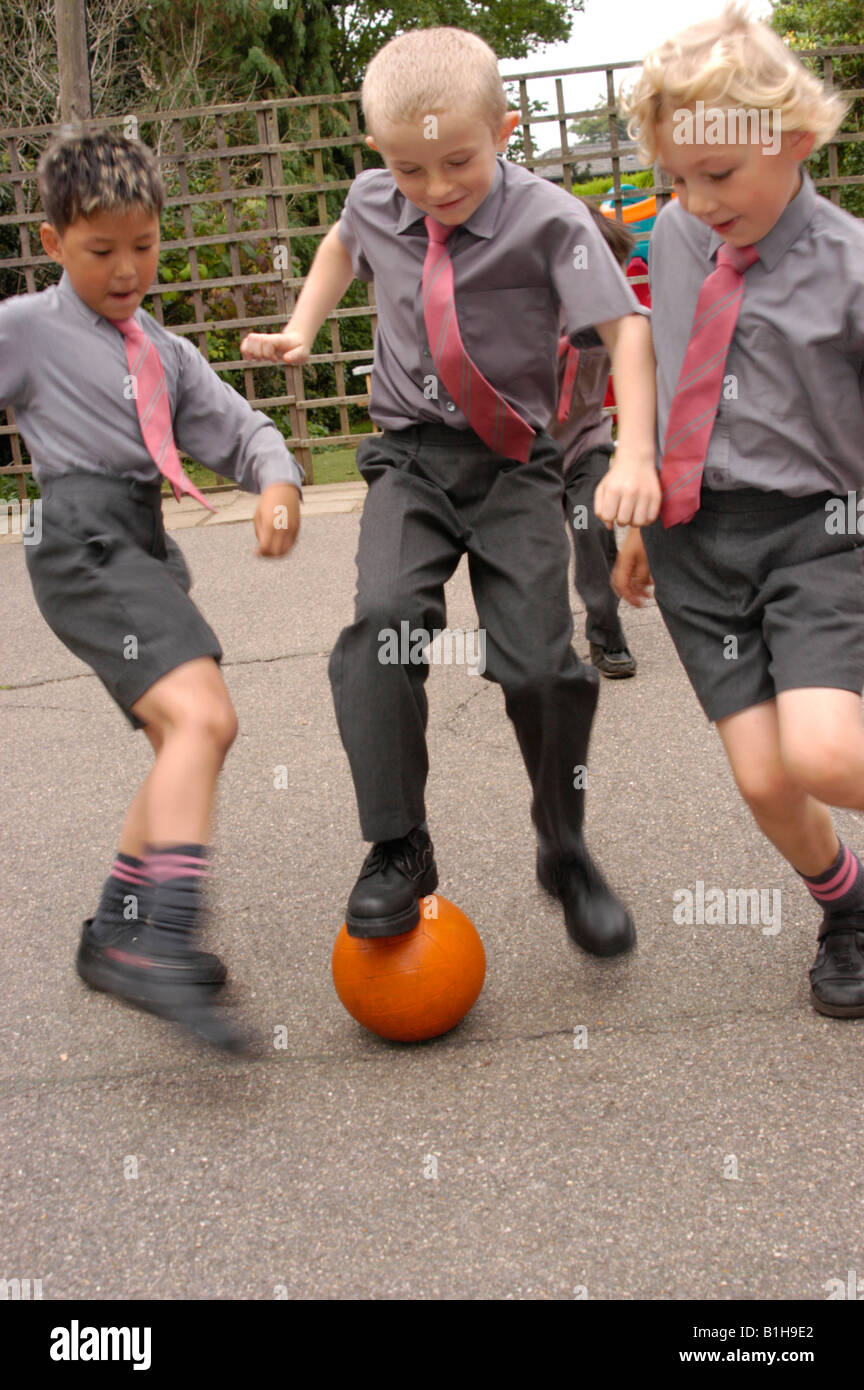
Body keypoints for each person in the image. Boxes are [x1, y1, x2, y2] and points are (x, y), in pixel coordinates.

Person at [241, 26, 659, 957]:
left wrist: (632, 455)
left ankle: (565, 845)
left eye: (458, 161)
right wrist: (305, 327)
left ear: (505, 127)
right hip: (410, 457)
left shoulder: (549, 217)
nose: (433, 188)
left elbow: (624, 331)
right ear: (379, 154)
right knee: (382, 621)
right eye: (407, 167)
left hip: (517, 466)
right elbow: (342, 245)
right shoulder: (371, 199)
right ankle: (399, 845)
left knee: (541, 667)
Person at [1, 127, 303, 1049]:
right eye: (100, 251)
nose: (127, 268)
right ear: (53, 244)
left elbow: (240, 429)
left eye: (144, 245)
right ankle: (160, 940)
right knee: (205, 719)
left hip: (138, 541)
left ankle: (117, 932)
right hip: (78, 538)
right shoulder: (25, 330)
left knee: (189, 728)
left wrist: (281, 484)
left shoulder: (163, 353)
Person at [606, 4, 864, 1016]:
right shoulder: (675, 234)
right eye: (678, 176)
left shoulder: (849, 269)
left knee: (826, 750)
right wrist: (638, 516)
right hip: (695, 545)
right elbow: (668, 361)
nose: (695, 199)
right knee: (765, 780)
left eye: (718, 175)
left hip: (817, 536)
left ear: (793, 142)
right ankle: (848, 907)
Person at [550, 204, 639, 678]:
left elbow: (640, 361)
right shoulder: (529, 309)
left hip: (586, 442)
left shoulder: (615, 318)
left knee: (592, 530)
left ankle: (606, 637)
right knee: (530, 549)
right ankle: (524, 640)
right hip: (528, 453)